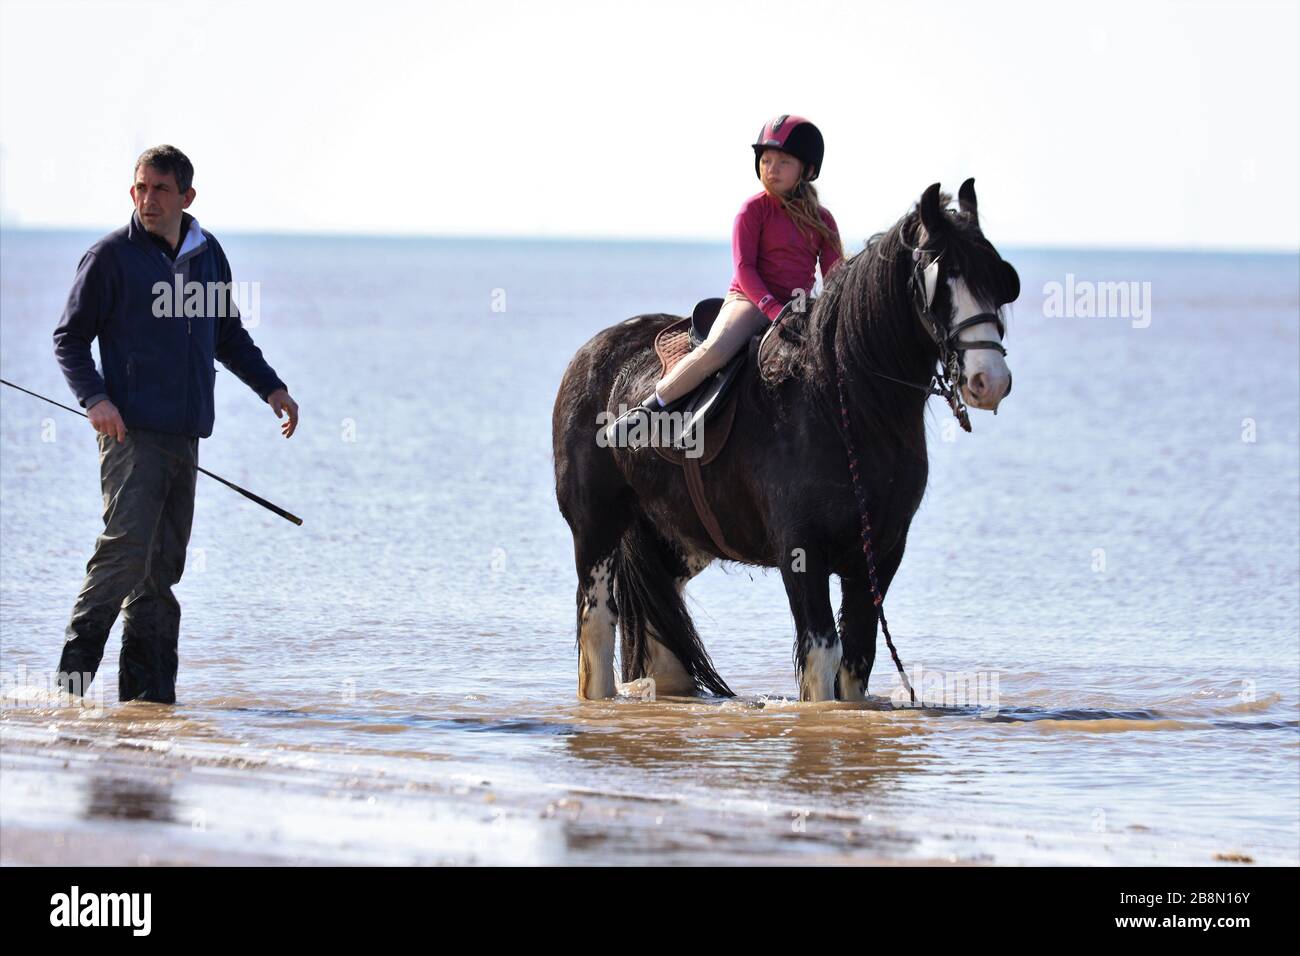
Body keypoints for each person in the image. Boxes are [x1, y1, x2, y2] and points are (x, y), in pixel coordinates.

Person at [52, 145, 299, 704]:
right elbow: (69, 338)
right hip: (129, 434)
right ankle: (67, 696)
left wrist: (272, 388)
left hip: (184, 435)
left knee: (161, 573)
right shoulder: (111, 256)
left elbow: (226, 333)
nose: (148, 199)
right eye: (140, 187)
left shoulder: (206, 254)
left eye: (160, 189)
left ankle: (148, 705)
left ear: (187, 197)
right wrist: (95, 399)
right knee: (121, 558)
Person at [606, 115, 844, 445]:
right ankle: (651, 408)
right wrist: (773, 309)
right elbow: (745, 269)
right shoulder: (754, 210)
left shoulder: (823, 220)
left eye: (783, 162)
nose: (771, 168)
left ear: (806, 170)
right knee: (717, 350)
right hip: (750, 299)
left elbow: (835, 277)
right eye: (766, 160)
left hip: (798, 307)